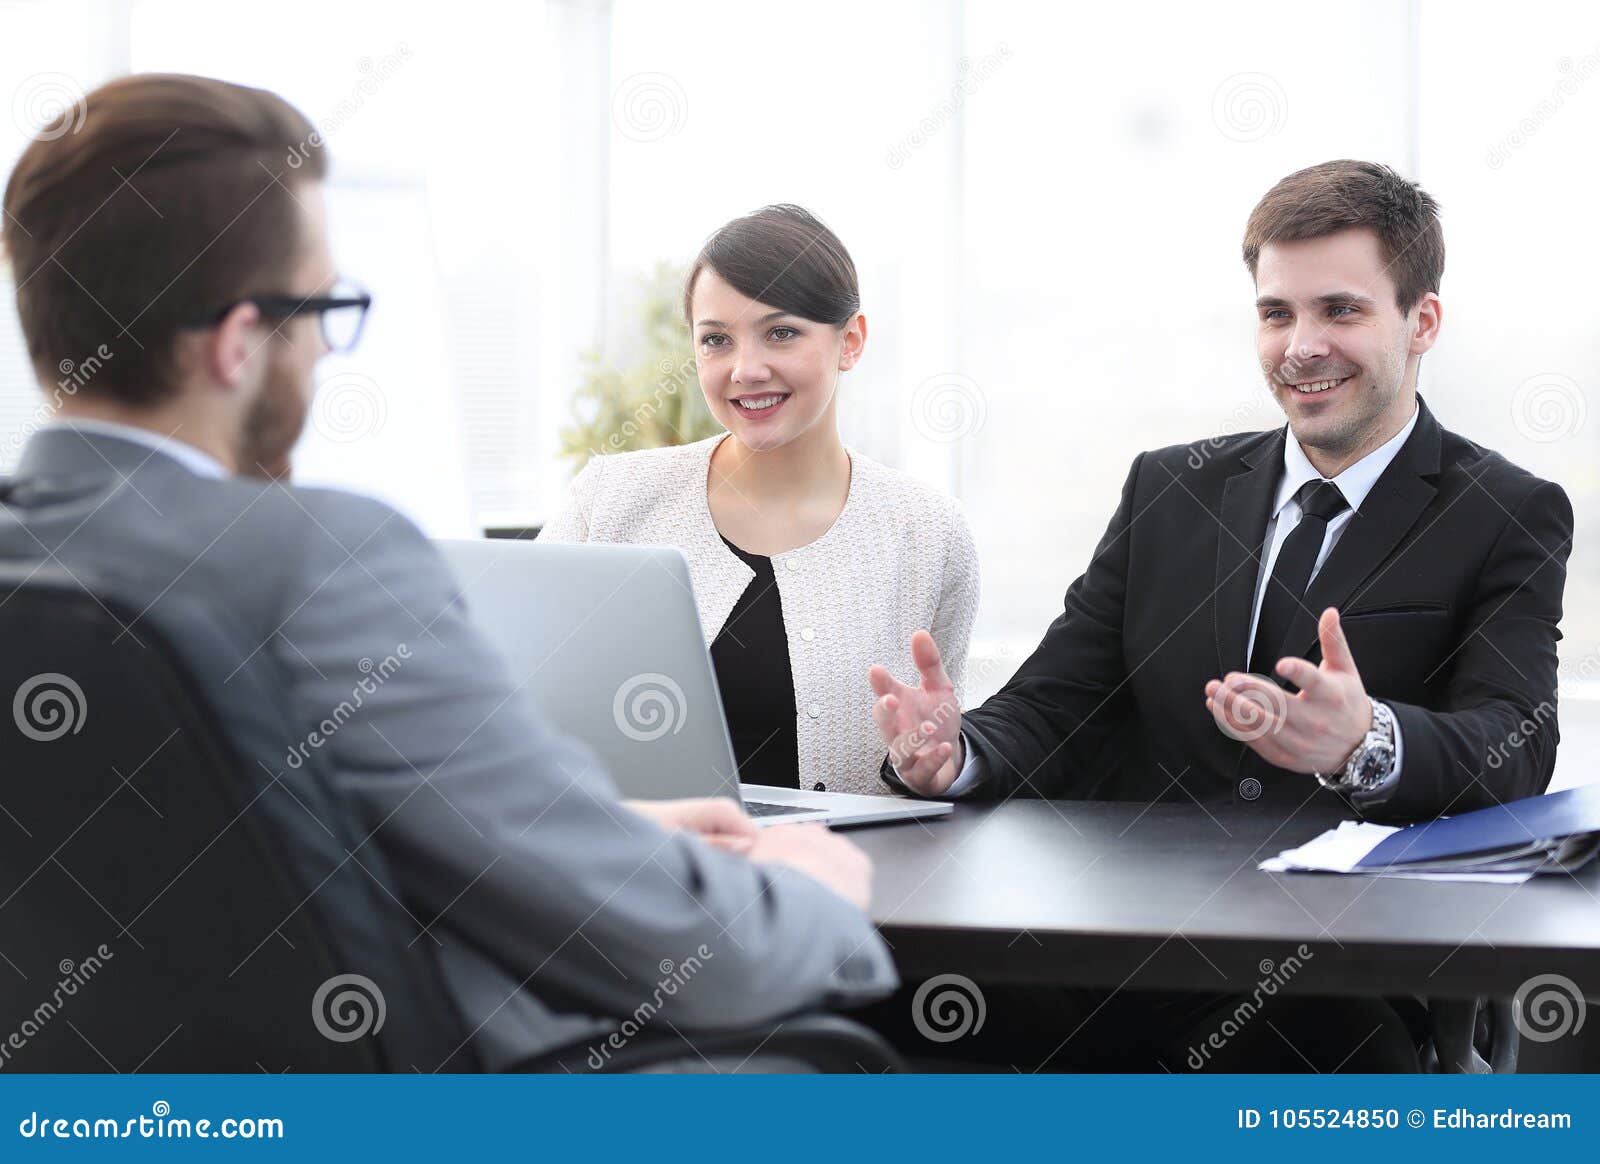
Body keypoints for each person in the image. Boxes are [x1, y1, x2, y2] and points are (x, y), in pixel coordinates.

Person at [0, 73, 896, 1070]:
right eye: (324, 309)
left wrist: (590, 828)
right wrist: (807, 892)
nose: (324, 352)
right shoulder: (319, 560)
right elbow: (702, 961)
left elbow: (231, 854)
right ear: (240, 343)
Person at [867, 159, 1574, 1071]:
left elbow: (1513, 748)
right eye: (1277, 314)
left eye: (1341, 311)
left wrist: (1364, 741)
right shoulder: (1171, 488)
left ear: (1422, 322)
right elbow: (1059, 702)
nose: (1301, 346)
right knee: (874, 1004)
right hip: (1122, 940)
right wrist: (955, 753)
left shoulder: (1506, 512)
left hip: (1334, 971)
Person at [542, 205, 978, 795]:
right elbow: (510, 694)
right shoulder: (609, 499)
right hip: (641, 853)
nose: (746, 370)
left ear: (850, 341)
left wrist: (930, 768)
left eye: (781, 333)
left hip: (852, 857)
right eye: (716, 340)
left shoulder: (929, 533)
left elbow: (936, 751)